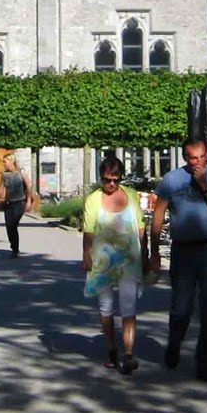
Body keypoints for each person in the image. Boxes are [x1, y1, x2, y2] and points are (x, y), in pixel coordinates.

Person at [149, 137, 207, 383]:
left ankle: (205, 364)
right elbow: (158, 215)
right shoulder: (172, 180)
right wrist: (154, 252)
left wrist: (204, 186)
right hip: (183, 250)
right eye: (193, 158)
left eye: (202, 157)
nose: (198, 162)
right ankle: (174, 343)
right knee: (181, 309)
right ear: (185, 158)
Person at [82, 154, 145, 373]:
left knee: (129, 307)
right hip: (103, 261)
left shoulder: (131, 195)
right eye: (107, 179)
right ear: (101, 178)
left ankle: (128, 354)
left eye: (116, 180)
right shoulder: (93, 199)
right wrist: (86, 256)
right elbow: (88, 231)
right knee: (106, 308)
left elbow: (140, 227)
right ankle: (111, 348)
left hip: (129, 259)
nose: (111, 184)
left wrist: (145, 254)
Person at [0, 153, 34, 257]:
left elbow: (29, 185)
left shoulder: (21, 172)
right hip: (9, 203)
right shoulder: (4, 174)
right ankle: (14, 247)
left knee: (13, 224)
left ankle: (15, 249)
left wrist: (28, 201)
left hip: (20, 202)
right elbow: (1, 188)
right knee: (9, 226)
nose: (4, 164)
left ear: (11, 161)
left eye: (5, 162)